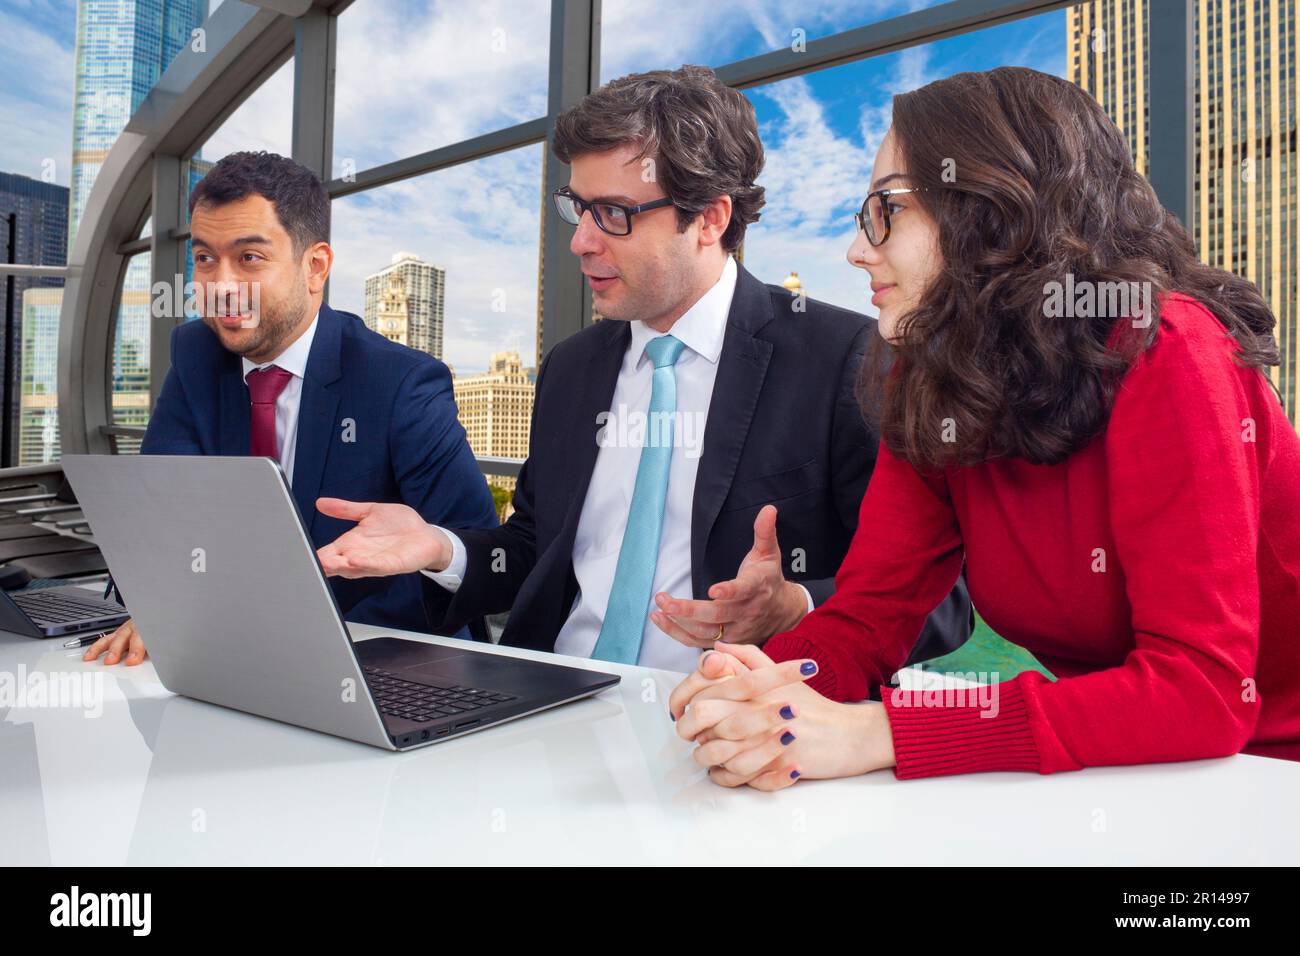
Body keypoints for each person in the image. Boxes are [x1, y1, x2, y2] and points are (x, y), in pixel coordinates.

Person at [668, 66, 1300, 787]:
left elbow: (1200, 694)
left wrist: (884, 731)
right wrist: (765, 680)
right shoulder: (933, 374)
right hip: (1123, 769)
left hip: (1269, 776)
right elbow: (869, 617)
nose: (856, 251)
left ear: (994, 206)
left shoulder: (1170, 349)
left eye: (887, 211)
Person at [314, 65, 971, 672]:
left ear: (710, 218)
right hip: (546, 703)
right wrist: (441, 550)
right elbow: (532, 552)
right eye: (578, 207)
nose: (581, 239)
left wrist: (795, 604)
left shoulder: (845, 357)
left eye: (614, 214)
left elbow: (944, 604)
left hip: (732, 726)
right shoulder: (571, 369)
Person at [84, 151, 497, 667]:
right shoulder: (197, 354)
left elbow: (484, 554)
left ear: (315, 267)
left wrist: (435, 546)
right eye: (205, 257)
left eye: (249, 258)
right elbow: (159, 520)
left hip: (382, 655)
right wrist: (161, 605)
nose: (222, 286)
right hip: (230, 651)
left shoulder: (401, 382)